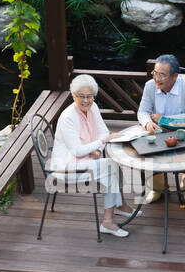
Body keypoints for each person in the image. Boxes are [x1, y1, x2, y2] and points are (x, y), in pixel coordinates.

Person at [50, 74, 136, 237]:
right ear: (73, 95)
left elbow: (103, 130)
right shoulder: (68, 117)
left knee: (112, 164)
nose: (85, 100)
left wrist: (97, 146)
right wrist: (100, 143)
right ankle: (108, 222)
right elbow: (77, 151)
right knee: (110, 166)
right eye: (81, 96)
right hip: (65, 167)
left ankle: (120, 206)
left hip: (84, 158)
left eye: (89, 96)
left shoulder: (93, 107)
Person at [136, 53, 185, 205]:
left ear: (175, 76)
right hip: (158, 131)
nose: (157, 78)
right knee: (147, 149)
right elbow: (142, 111)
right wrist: (147, 123)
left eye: (162, 75)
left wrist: (165, 119)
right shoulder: (150, 86)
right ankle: (158, 188)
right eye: (155, 73)